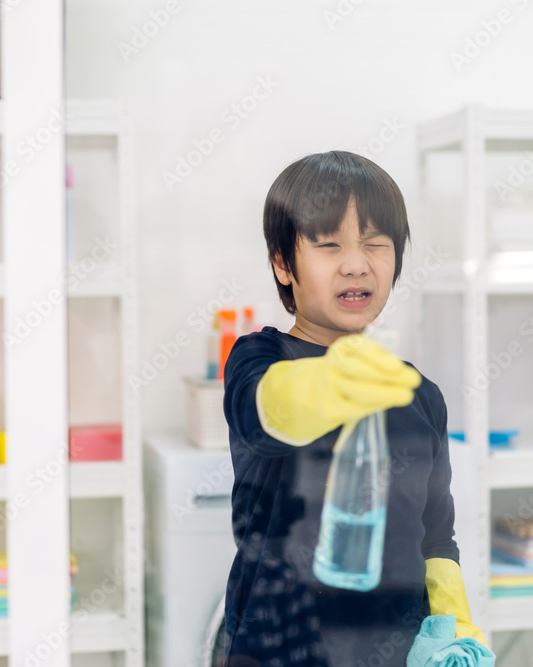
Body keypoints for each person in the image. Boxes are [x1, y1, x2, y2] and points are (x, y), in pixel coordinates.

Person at [222, 151, 485, 666]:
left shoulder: (419, 394)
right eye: (328, 245)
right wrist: (334, 381)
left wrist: (454, 630)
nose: (356, 264)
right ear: (283, 263)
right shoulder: (260, 359)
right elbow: (265, 414)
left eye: (375, 243)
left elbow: (436, 538)